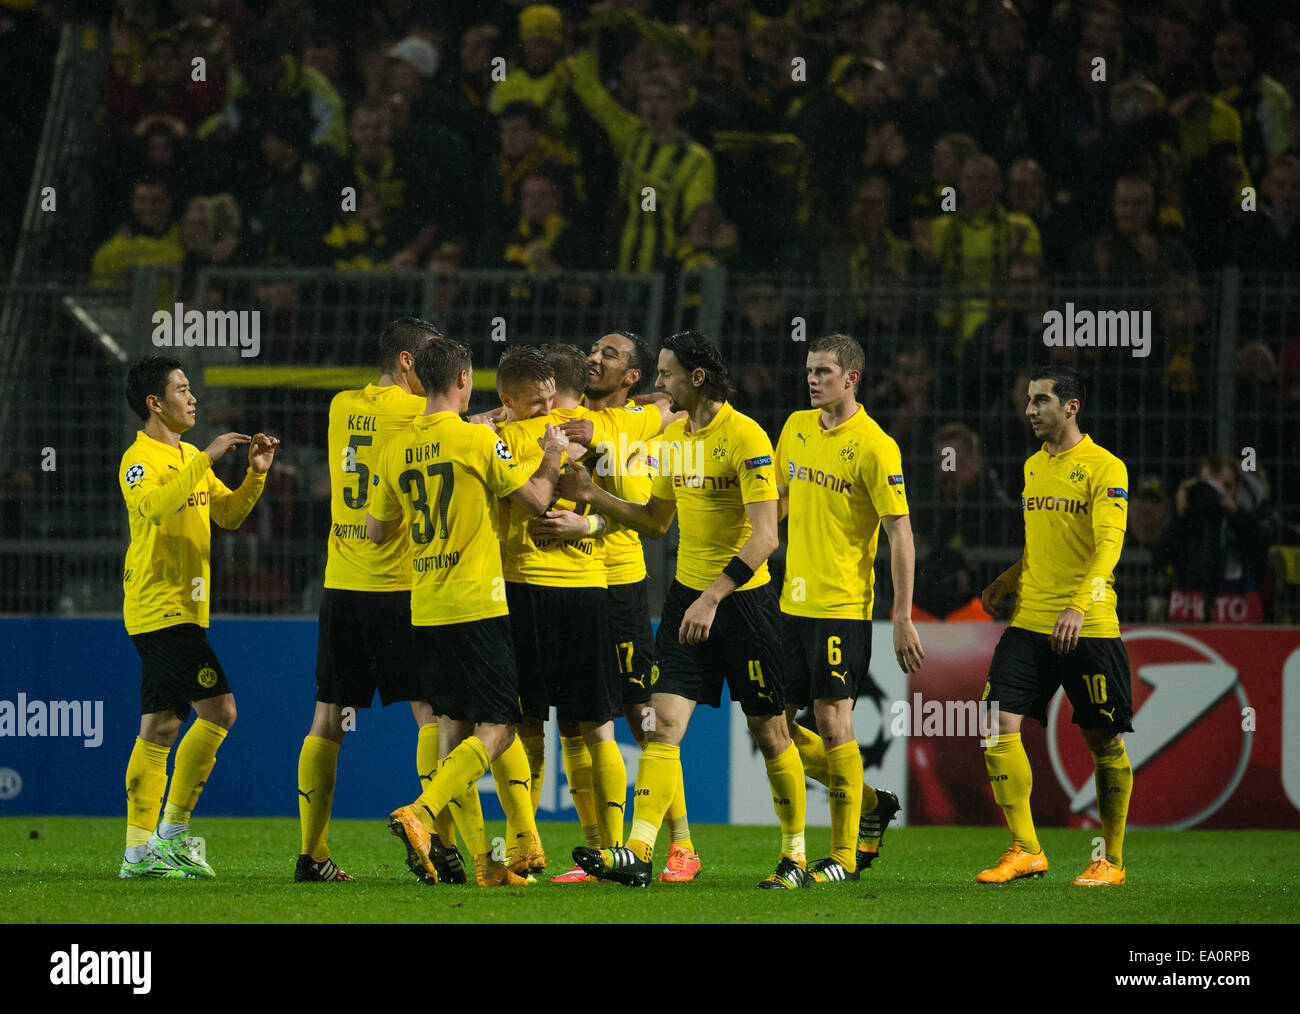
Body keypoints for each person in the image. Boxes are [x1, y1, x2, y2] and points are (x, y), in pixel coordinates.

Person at [558, 331, 808, 889]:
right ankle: (640, 853)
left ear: (696, 378)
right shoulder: (678, 441)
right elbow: (655, 521)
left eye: (666, 374)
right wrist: (594, 495)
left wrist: (714, 596)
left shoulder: (746, 437)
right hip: (685, 603)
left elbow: (765, 537)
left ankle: (794, 858)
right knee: (662, 726)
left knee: (770, 733)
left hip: (742, 605)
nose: (658, 384)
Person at [369, 338, 568, 886]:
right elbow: (533, 502)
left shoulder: (395, 447)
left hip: (426, 602)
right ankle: (422, 811)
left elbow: (377, 529)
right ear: (463, 379)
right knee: (499, 727)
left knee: (450, 728)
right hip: (477, 602)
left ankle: (484, 862)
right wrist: (551, 456)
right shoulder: (475, 440)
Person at [295, 317, 450, 883]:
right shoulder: (413, 413)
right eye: (430, 360)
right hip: (400, 588)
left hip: (342, 583)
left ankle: (312, 855)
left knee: (329, 716)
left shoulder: (341, 406)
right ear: (408, 362)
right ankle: (433, 837)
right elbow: (465, 429)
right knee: (431, 710)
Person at [548, 332, 701, 883]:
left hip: (619, 584)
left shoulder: (638, 424)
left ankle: (682, 845)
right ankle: (599, 852)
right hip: (566, 582)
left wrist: (588, 515)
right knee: (574, 719)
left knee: (643, 719)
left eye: (608, 355)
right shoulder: (571, 418)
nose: (593, 358)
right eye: (590, 350)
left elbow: (642, 508)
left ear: (632, 377)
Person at [118, 355, 279, 878]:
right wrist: (204, 460)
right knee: (221, 710)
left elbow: (228, 515)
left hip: (184, 609)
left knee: (161, 727)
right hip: (158, 607)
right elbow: (157, 508)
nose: (193, 398)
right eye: (182, 389)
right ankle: (172, 834)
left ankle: (137, 855)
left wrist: (254, 476)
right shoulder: (138, 460)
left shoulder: (188, 456)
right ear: (154, 403)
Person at [774, 333, 924, 883]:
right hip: (790, 604)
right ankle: (869, 803)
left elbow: (900, 534)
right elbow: (781, 501)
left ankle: (840, 856)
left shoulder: (876, 446)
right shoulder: (794, 428)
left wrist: (901, 615)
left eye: (824, 372)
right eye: (809, 370)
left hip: (841, 606)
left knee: (835, 725)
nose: (812, 380)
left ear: (852, 378)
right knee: (771, 726)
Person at [977, 365, 1133, 887]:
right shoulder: (1031, 467)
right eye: (1028, 400)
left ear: (1071, 407)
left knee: (1103, 740)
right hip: (1030, 621)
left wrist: (1079, 606)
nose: (1029, 410)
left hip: (1087, 625)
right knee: (997, 721)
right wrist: (1008, 579)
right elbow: (1041, 546)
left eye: (1040, 401)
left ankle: (1109, 859)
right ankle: (1026, 849)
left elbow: (1108, 548)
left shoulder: (1106, 468)